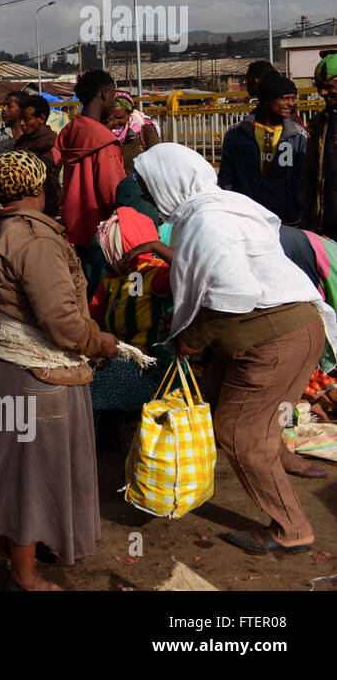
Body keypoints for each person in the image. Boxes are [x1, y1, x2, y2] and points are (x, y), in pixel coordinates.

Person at [134, 143, 336, 554]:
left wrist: (191, 338)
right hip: (290, 327)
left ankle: (291, 528)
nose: (148, 197)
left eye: (148, 187)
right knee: (213, 402)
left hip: (269, 339)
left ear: (168, 183)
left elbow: (234, 292)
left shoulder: (206, 220)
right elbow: (217, 267)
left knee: (238, 434)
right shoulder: (224, 206)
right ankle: (284, 461)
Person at [0, 150, 118, 590]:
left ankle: (30, 552)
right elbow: (63, 323)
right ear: (37, 188)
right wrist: (99, 342)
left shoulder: (4, 229)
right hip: (38, 376)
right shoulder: (37, 239)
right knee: (36, 470)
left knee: (20, 466)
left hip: (13, 368)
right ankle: (25, 575)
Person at [88, 207, 174, 417]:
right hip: (118, 360)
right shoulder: (110, 280)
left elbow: (194, 268)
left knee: (88, 387)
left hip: (148, 370)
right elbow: (91, 316)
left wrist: (156, 247)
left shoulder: (156, 272)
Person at [218, 72, 307, 227]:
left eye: (293, 98)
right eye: (285, 98)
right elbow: (227, 177)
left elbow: (302, 180)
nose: (291, 103)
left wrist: (299, 212)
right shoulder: (237, 134)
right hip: (247, 218)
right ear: (267, 100)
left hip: (286, 220)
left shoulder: (299, 136)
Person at [52, 69, 125, 247]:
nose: (113, 100)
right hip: (99, 231)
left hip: (71, 226)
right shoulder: (105, 141)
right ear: (104, 94)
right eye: (113, 95)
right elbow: (112, 193)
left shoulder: (69, 131)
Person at [304, 52, 337, 236]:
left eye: (328, 87)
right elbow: (310, 173)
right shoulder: (319, 122)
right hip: (326, 223)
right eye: (319, 87)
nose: (322, 93)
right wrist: (306, 220)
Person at [15, 94, 61, 217]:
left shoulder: (54, 142)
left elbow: (39, 169)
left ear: (41, 118)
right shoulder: (22, 141)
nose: (22, 123)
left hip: (45, 207)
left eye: (26, 119)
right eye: (20, 119)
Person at [108, 92, 160, 176]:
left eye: (119, 118)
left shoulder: (145, 129)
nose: (114, 122)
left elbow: (156, 158)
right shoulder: (104, 130)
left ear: (129, 114)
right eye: (110, 118)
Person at [0, 91, 29, 160]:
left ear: (22, 109)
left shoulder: (33, 135)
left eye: (9, 106)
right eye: (4, 105)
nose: (4, 109)